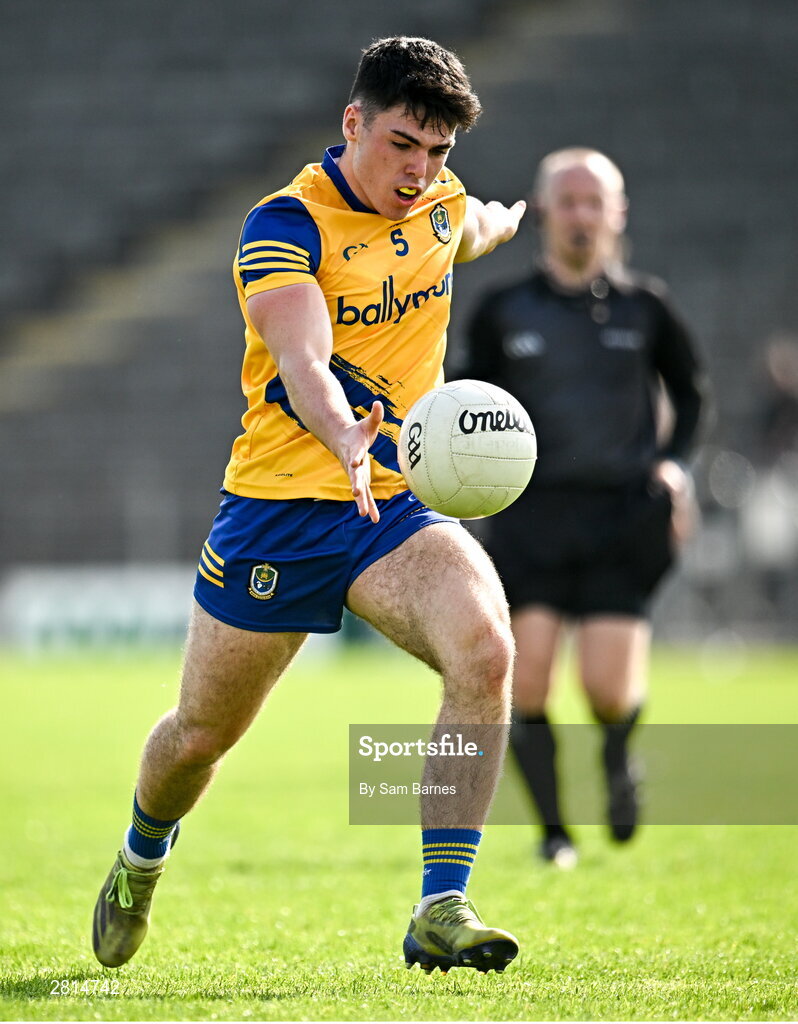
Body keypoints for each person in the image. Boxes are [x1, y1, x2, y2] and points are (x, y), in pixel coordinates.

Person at [91, 37, 526, 974]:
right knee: (200, 736)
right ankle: (139, 858)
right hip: (280, 510)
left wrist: (494, 219)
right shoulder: (284, 225)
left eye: (439, 153)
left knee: (485, 648)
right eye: (404, 144)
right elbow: (304, 360)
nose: (421, 171)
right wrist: (343, 435)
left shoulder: (441, 202)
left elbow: (464, 225)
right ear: (353, 123)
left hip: (395, 509)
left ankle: (441, 904)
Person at [460, 147, 708, 868]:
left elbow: (691, 395)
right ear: (542, 211)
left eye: (594, 201)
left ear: (617, 213)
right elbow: (462, 406)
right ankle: (554, 833)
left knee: (605, 689)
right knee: (527, 680)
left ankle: (618, 762)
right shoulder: (504, 311)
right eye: (567, 200)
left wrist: (675, 466)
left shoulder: (646, 307)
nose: (581, 214)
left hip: (622, 517)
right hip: (532, 518)